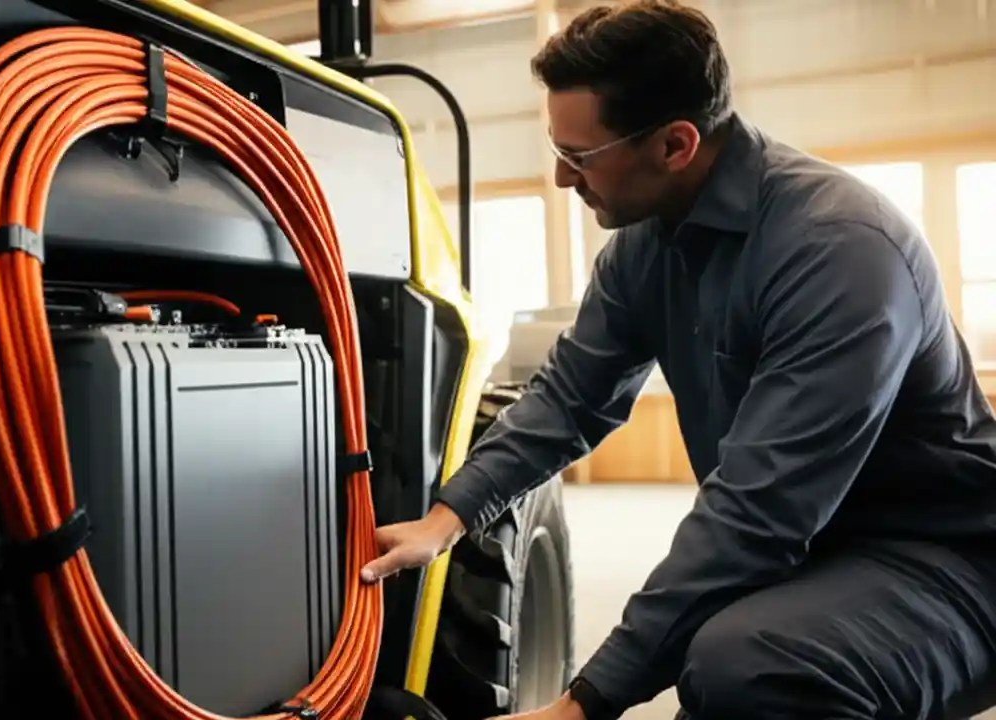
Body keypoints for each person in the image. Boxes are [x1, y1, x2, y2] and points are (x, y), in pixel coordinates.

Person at [358, 2, 996, 718]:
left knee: (745, 665)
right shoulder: (645, 247)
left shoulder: (840, 250)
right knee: (720, 654)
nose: (564, 179)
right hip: (817, 551)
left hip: (946, 563)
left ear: (675, 145)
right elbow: (571, 398)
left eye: (579, 157)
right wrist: (447, 517)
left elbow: (759, 511)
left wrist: (581, 703)